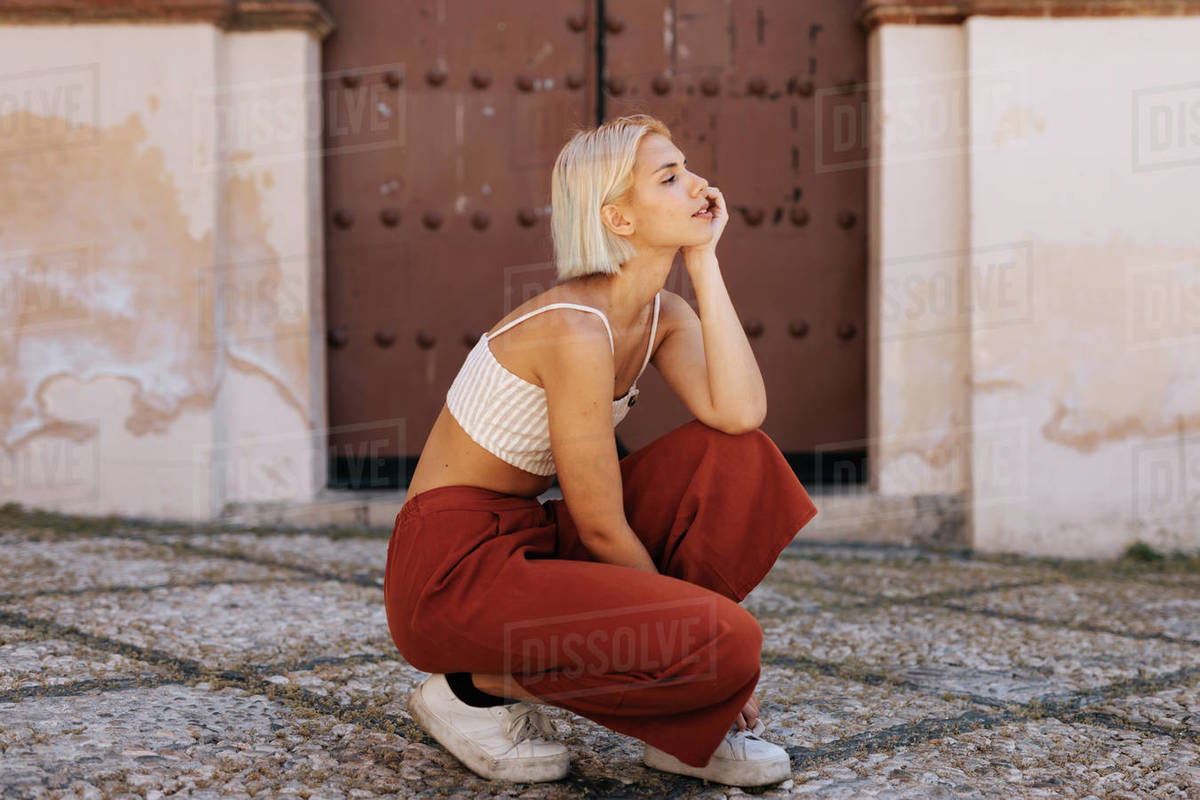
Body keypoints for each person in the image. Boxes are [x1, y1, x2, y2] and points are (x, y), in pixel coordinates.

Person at [385, 114, 818, 786]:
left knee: (740, 459)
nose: (699, 184)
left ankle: (680, 724)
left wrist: (704, 261)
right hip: (450, 572)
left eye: (688, 168)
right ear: (618, 219)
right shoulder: (574, 330)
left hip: (529, 538)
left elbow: (740, 415)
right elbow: (599, 525)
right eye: (669, 177)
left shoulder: (661, 316)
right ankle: (470, 692)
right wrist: (696, 665)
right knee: (728, 645)